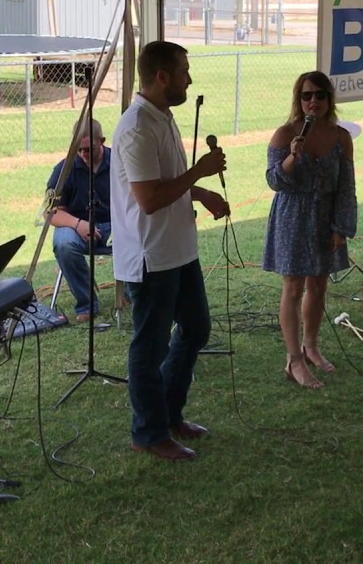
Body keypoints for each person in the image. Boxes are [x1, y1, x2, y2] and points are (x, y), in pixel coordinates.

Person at [111, 41, 229, 461]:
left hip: (178, 249)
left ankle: (170, 415)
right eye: (183, 71)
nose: (188, 79)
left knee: (196, 329)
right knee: (150, 346)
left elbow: (167, 182)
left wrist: (199, 192)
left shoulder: (163, 116)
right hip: (151, 255)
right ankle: (148, 432)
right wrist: (198, 171)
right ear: (162, 77)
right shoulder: (138, 125)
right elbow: (147, 198)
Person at [263, 71, 357, 389]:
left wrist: (341, 227)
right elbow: (275, 181)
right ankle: (294, 360)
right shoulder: (284, 133)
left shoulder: (341, 137)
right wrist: (292, 156)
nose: (312, 101)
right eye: (306, 96)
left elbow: (347, 187)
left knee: (319, 286)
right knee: (293, 288)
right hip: (292, 216)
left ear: (329, 99)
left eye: (319, 95)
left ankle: (311, 345)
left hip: (325, 216)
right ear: (298, 99)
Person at [45, 118, 112, 323]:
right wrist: (78, 224)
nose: (83, 154)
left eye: (89, 149)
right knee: (63, 243)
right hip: (78, 226)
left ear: (101, 141)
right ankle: (86, 303)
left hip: (115, 225)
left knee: (139, 233)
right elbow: (51, 213)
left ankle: (128, 293)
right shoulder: (64, 169)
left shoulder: (121, 161)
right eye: (78, 149)